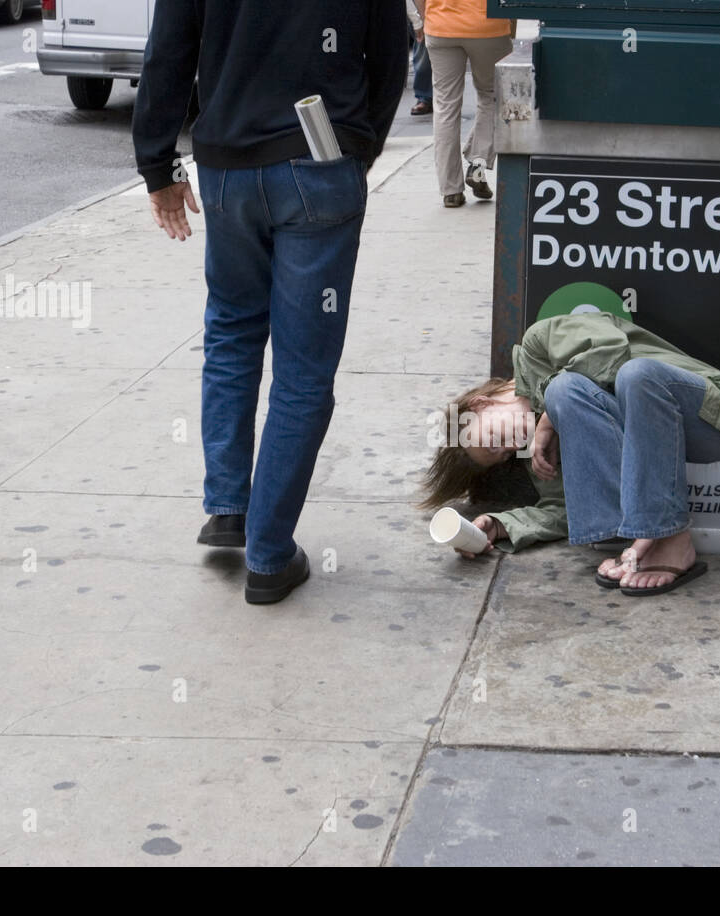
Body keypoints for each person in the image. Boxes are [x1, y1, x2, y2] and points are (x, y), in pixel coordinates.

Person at [133, 1, 407, 604]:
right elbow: (390, 54)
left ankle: (229, 504)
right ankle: (268, 552)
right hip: (320, 162)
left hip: (227, 165)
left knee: (231, 329)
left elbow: (169, 51)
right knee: (304, 369)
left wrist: (158, 166)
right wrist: (363, 144)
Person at [420, 311, 720, 596]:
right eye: (499, 456)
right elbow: (560, 508)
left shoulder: (538, 343)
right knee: (566, 391)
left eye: (491, 439)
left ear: (481, 403)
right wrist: (501, 525)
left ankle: (670, 537)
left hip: (719, 421)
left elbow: (610, 351)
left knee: (631, 376)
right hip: (663, 449)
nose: (507, 448)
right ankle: (633, 535)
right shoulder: (534, 450)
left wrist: (550, 413)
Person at [415, 0, 515, 207]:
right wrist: (511, 26)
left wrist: (426, 18)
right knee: (493, 95)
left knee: (445, 106)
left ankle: (450, 190)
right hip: (489, 25)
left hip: (440, 25)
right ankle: (478, 162)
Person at [407, 0, 432, 115]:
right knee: (423, 58)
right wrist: (418, 20)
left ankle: (427, 97)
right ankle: (425, 97)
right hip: (425, 14)